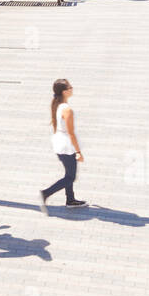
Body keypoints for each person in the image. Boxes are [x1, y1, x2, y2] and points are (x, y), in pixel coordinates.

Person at [39, 78, 87, 211]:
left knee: (68, 174)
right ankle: (46, 193)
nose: (72, 89)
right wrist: (78, 152)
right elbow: (71, 133)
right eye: (70, 87)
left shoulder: (58, 104)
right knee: (71, 177)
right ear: (65, 92)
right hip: (67, 145)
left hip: (59, 142)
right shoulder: (67, 109)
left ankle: (70, 200)